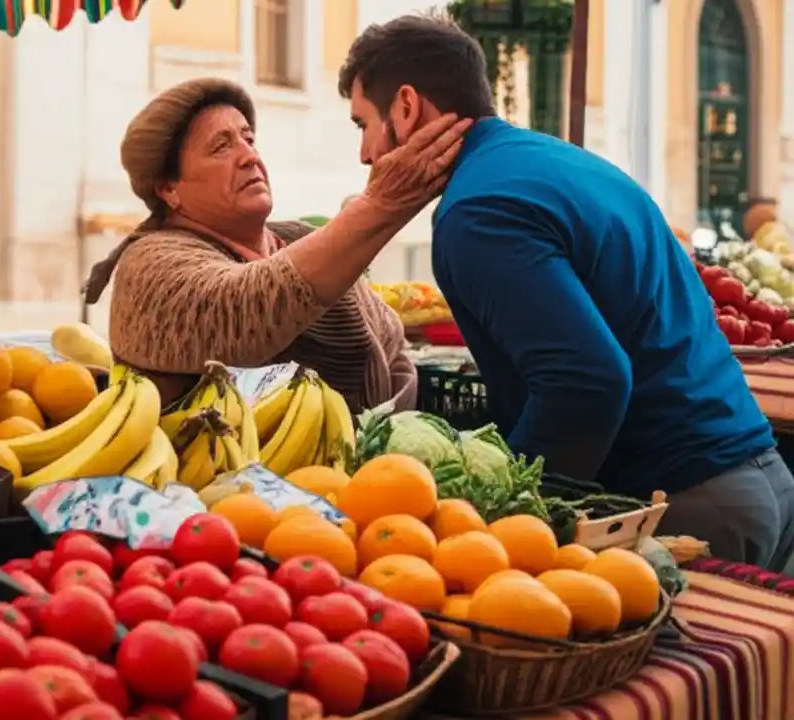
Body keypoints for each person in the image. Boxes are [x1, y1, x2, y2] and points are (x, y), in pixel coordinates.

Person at [338, 15, 794, 570]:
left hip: (683, 505)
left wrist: (511, 524)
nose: (364, 154)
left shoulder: (477, 212)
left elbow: (585, 382)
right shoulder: (558, 163)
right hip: (759, 475)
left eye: (362, 123)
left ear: (406, 107)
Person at [82, 78, 469, 412]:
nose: (250, 156)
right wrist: (380, 206)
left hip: (366, 480)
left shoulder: (298, 237)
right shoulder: (150, 262)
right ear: (169, 189)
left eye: (248, 139)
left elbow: (390, 342)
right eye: (222, 147)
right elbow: (242, 310)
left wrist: (383, 431)